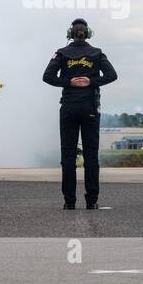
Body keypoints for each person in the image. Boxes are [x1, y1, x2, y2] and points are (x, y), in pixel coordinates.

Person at [43, 18, 118, 209]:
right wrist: (91, 81)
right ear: (88, 33)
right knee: (91, 156)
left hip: (68, 109)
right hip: (90, 109)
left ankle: (69, 202)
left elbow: (47, 76)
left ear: (71, 33)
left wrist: (69, 82)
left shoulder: (61, 53)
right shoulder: (97, 53)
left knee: (68, 156)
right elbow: (112, 75)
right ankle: (92, 202)